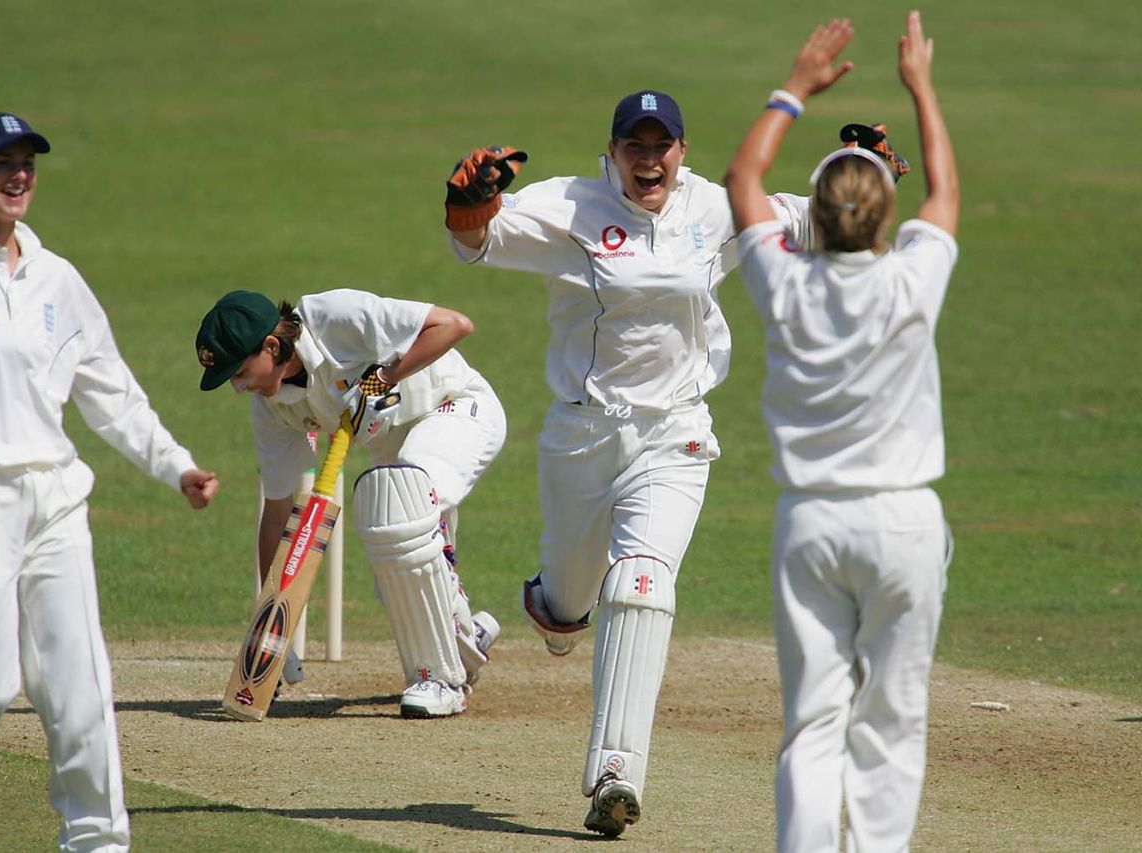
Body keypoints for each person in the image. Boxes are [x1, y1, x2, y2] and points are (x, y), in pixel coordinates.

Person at [445, 91, 743, 837]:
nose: (649, 159)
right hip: (582, 436)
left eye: (661, 145)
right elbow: (476, 239)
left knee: (642, 581)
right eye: (633, 146)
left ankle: (617, 770)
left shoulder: (714, 208)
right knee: (573, 599)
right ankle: (556, 603)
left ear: (682, 149)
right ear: (612, 152)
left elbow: (816, 215)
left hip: (676, 431)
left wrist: (863, 165)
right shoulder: (571, 207)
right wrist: (469, 201)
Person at [0, 112, 219, 852]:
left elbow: (110, 389)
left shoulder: (55, 277)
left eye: (28, 162)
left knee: (80, 685)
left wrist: (176, 464)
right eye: (1, 162)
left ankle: (98, 841)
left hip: (57, 499)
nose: (18, 175)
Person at [724, 13, 958, 852]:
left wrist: (796, 83)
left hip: (813, 522)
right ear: (881, 214)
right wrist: (921, 85)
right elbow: (944, 192)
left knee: (814, 718)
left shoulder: (783, 283)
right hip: (903, 520)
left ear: (812, 218)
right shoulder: (912, 276)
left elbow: (743, 177)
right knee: (894, 716)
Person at [195, 288, 505, 718]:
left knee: (396, 507)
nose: (238, 386)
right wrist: (274, 623)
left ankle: (439, 681)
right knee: (394, 574)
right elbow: (277, 514)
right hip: (395, 455)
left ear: (270, 346)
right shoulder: (271, 408)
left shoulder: (335, 316)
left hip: (456, 407)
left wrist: (384, 378)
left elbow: (454, 324)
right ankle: (466, 640)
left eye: (240, 371)